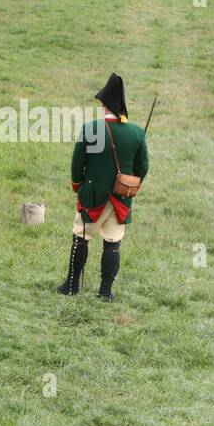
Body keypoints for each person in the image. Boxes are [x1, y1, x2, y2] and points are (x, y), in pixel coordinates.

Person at [57, 73, 149, 301]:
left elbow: (78, 163)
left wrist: (77, 185)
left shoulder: (91, 129)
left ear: (104, 105)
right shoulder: (137, 132)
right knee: (113, 242)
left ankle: (71, 286)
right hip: (121, 197)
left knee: (81, 236)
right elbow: (142, 167)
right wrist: (127, 185)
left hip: (93, 195)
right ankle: (105, 291)